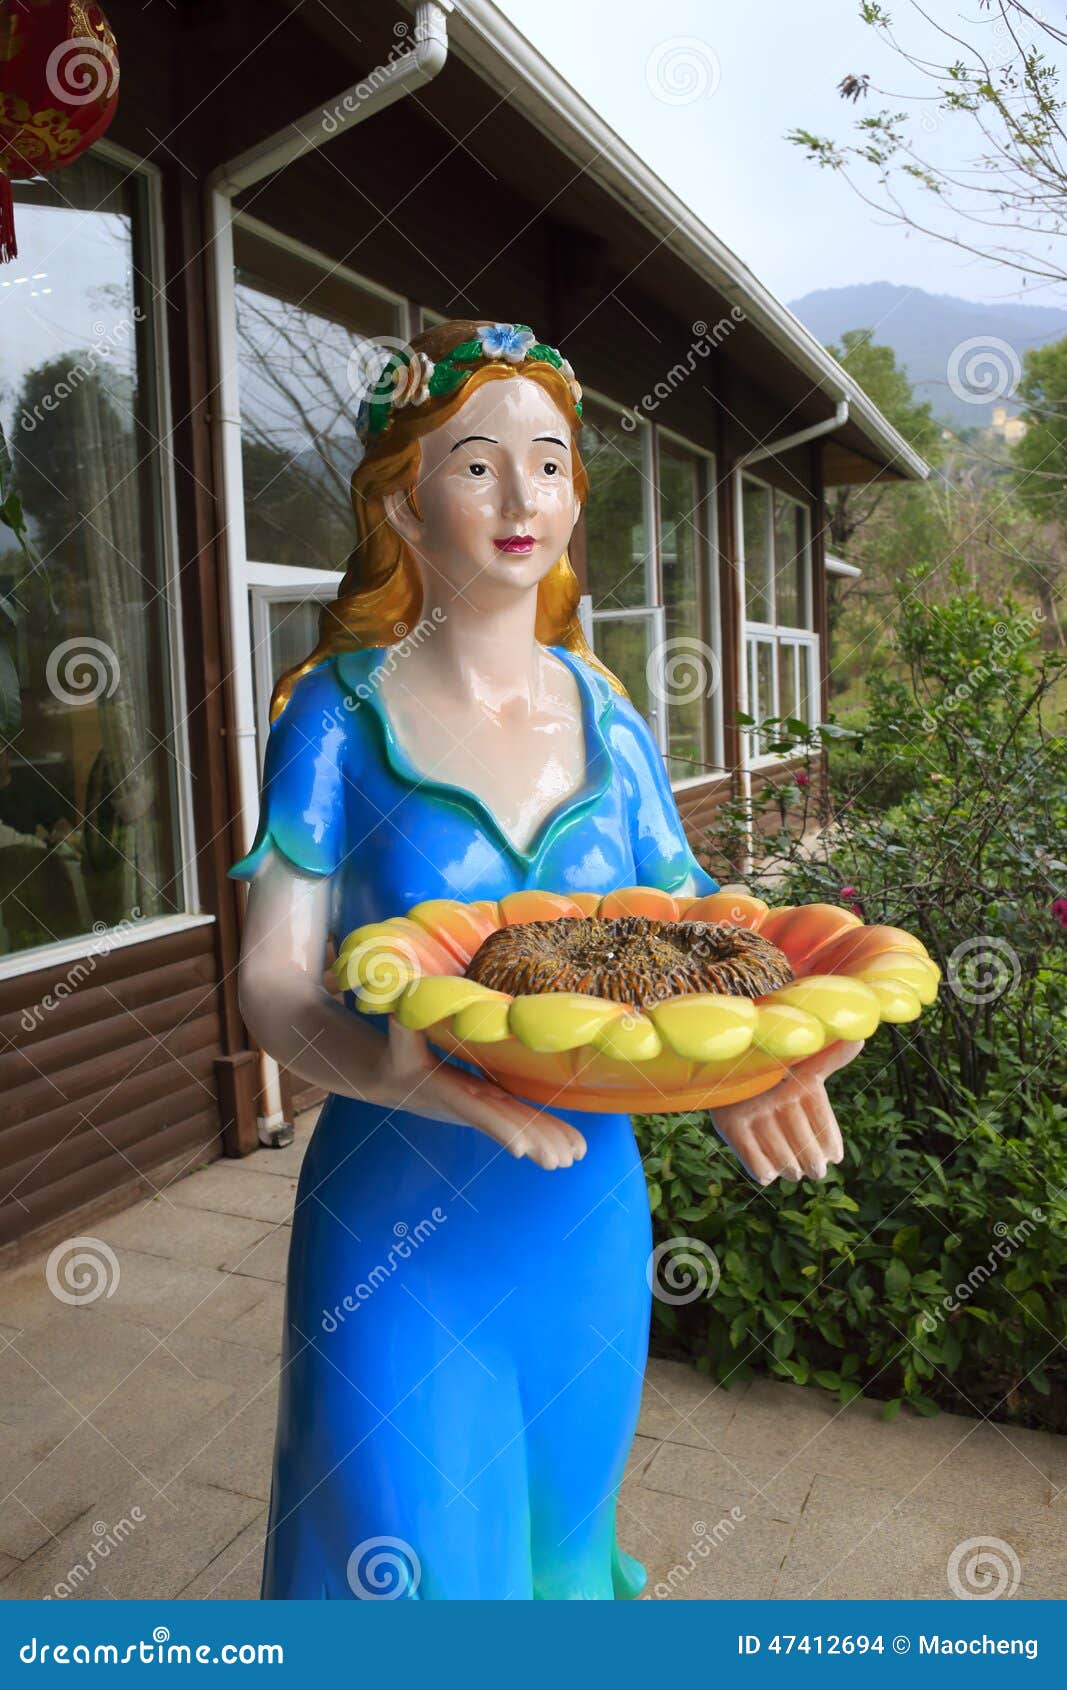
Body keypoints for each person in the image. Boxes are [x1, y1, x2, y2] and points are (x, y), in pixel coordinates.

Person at [230, 320, 862, 1600]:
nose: (521, 497)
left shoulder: (610, 720)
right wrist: (393, 1070)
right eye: (474, 465)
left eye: (550, 462)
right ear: (403, 505)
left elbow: (693, 948)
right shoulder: (334, 715)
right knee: (412, 1579)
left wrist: (744, 1058)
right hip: (397, 1218)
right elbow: (272, 982)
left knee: (558, 1568)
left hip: (579, 1219)